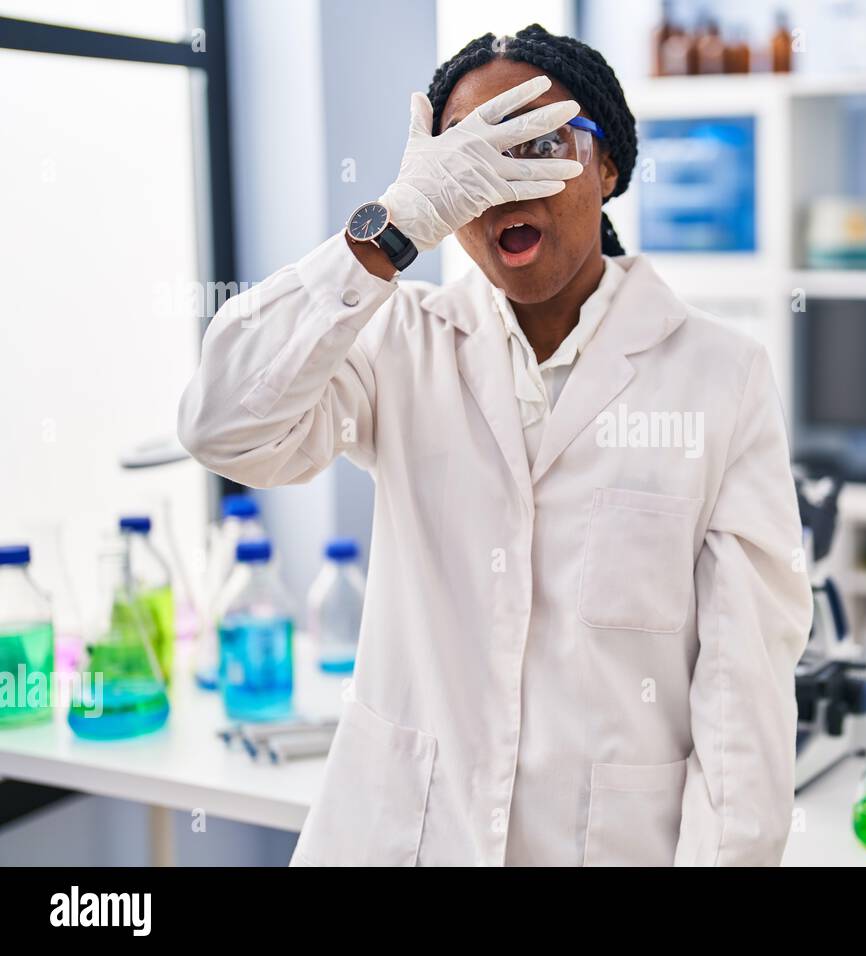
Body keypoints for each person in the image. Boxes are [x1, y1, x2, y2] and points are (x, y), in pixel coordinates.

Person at [179, 25, 810, 867]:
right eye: (475, 159)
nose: (506, 185)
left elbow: (743, 706)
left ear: (609, 167)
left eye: (541, 145)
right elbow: (222, 425)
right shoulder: (399, 341)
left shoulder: (719, 378)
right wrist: (390, 227)